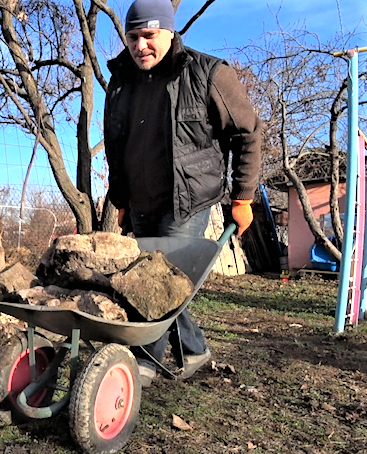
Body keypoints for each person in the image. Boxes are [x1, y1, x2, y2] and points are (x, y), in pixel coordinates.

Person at [105, 0, 262, 387]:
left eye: (149, 35)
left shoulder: (208, 73)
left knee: (156, 283)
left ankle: (141, 365)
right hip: (141, 203)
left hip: (187, 201)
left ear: (170, 32)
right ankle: (194, 349)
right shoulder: (121, 79)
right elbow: (116, 144)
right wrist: (120, 199)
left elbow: (249, 133)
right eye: (133, 36)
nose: (140, 46)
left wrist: (242, 198)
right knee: (165, 283)